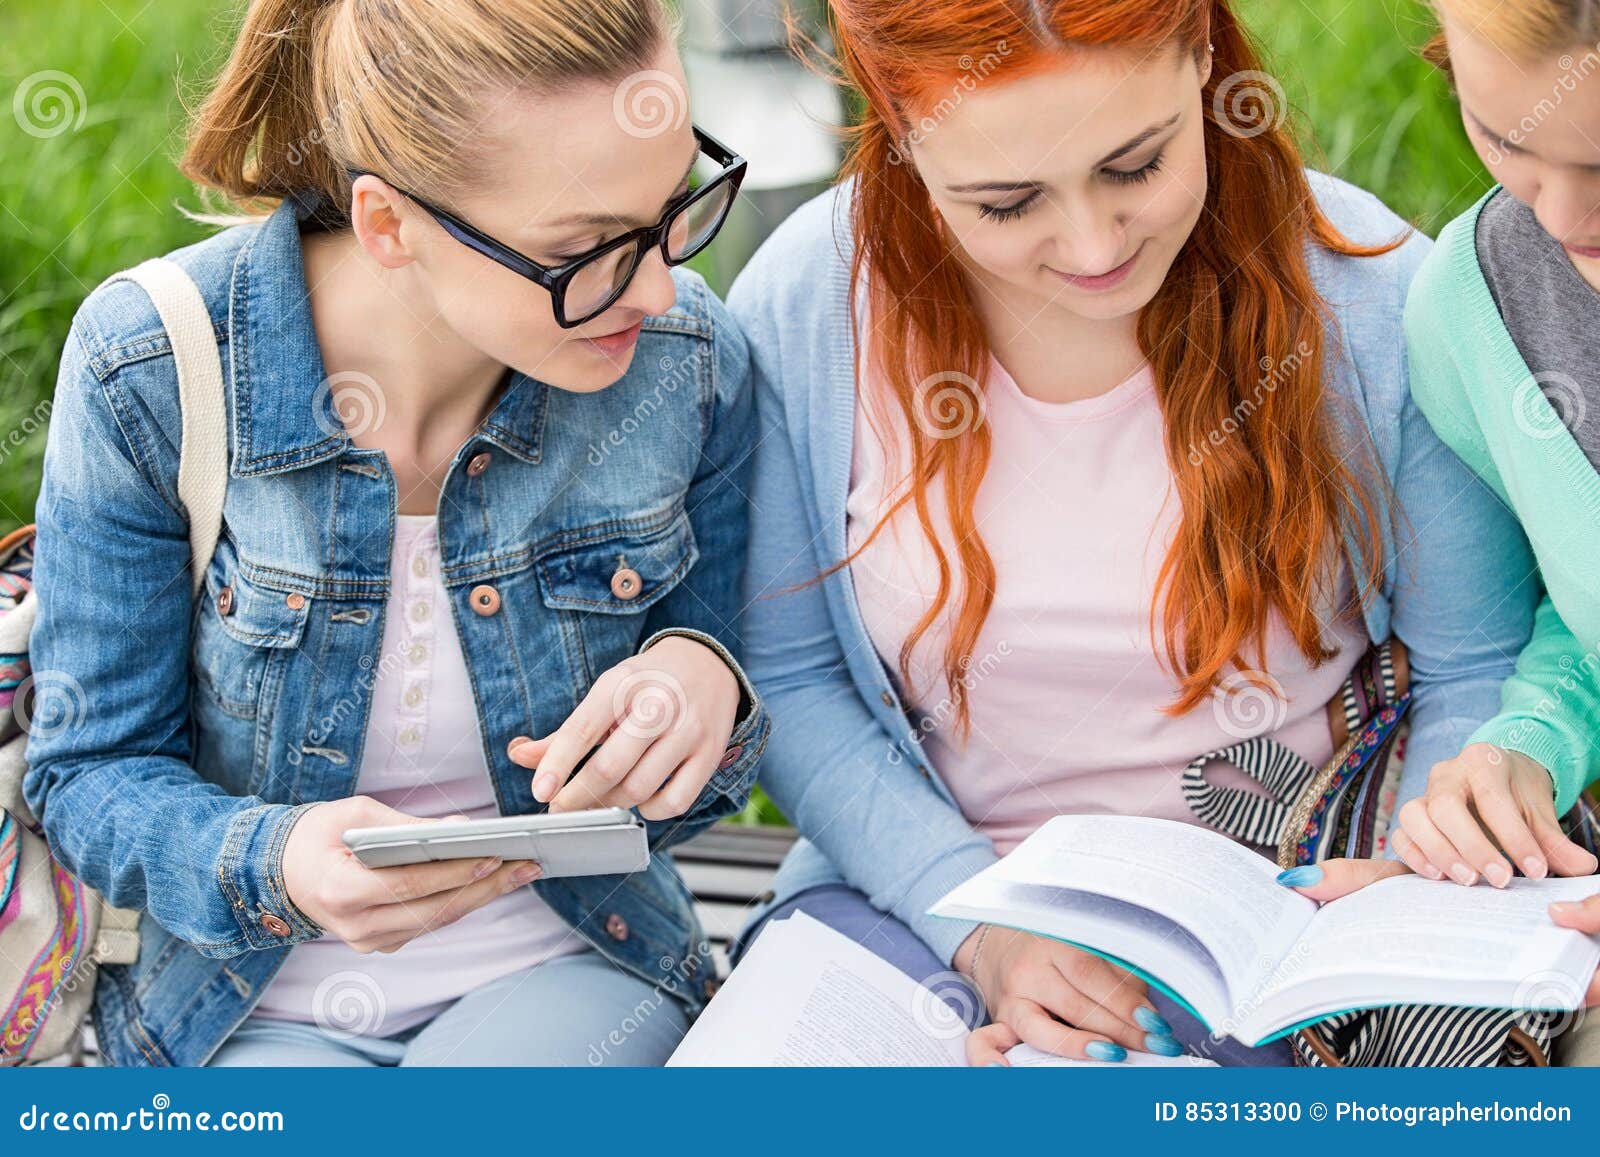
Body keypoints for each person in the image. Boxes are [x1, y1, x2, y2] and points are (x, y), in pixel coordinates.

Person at [730, 0, 1540, 1066]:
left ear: (1202, 54)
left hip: (1276, 925)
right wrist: (976, 929)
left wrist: (1386, 897)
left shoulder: (1371, 293)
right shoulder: (810, 302)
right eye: (1007, 201)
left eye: (1135, 165)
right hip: (919, 894)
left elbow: (1472, 662)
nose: (1093, 246)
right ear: (895, 124)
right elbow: (785, 676)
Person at [24, 0, 766, 1067]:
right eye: (584, 251)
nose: (655, 285)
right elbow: (87, 775)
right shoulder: (153, 367)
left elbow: (714, 747)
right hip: (239, 1001)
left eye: (671, 209)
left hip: (566, 960)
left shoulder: (685, 357)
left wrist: (703, 683)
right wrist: (278, 863)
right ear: (389, 224)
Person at [1288, 0, 1600, 1061]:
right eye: (1505, 140)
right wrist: (1526, 742)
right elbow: (1579, 609)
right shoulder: (1474, 303)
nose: (1560, 218)